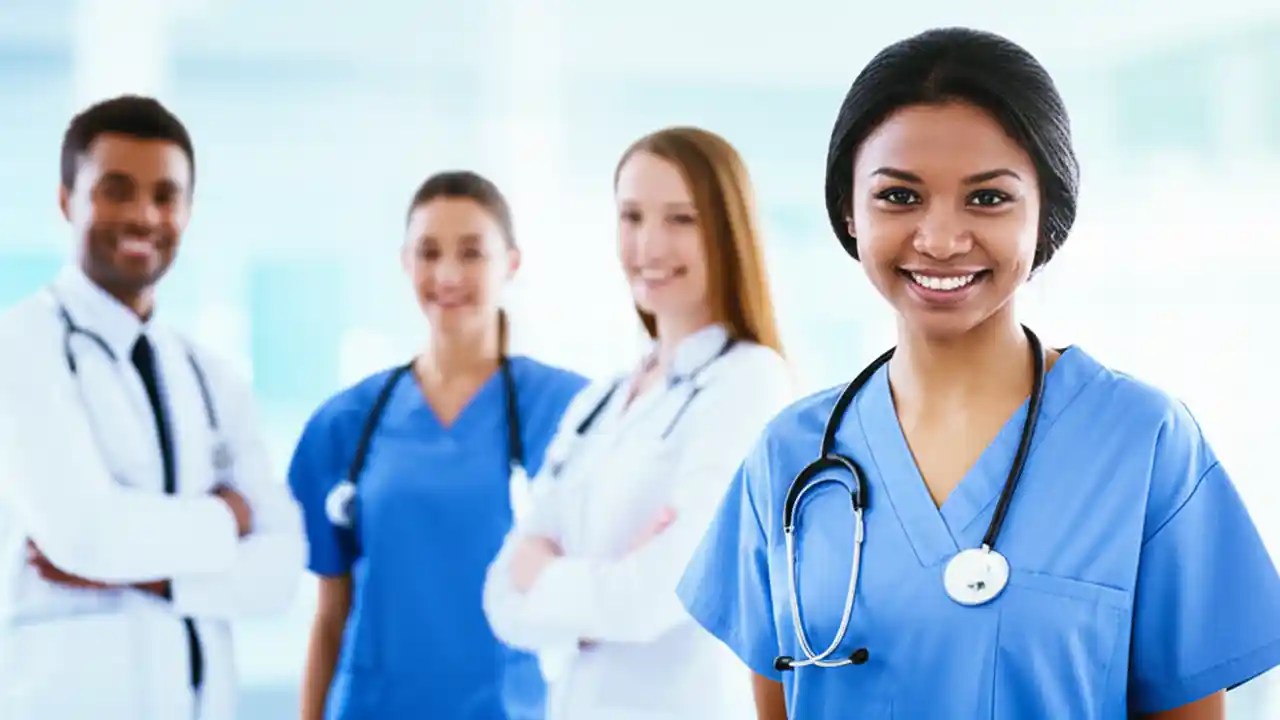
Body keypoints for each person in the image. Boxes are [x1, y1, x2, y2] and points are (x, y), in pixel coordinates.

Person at [675, 27, 1280, 720]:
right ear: (848, 210)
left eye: (987, 198)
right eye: (899, 197)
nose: (939, 239)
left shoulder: (1144, 445)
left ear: (1045, 213)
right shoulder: (789, 458)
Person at [0, 95, 305, 719]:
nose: (144, 215)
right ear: (67, 201)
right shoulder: (20, 347)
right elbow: (88, 535)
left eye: (165, 196)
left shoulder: (211, 376)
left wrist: (153, 575)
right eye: (116, 190)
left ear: (187, 211)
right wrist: (228, 515)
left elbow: (279, 568)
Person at [482, 126, 795, 720]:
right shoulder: (599, 401)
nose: (649, 246)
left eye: (681, 219)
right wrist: (603, 585)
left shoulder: (750, 381)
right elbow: (500, 597)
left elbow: (658, 595)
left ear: (728, 233)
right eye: (632, 217)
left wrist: (547, 576)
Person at [288, 170, 589, 720]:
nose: (448, 274)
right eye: (428, 252)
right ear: (405, 262)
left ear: (512, 263)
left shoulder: (570, 410)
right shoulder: (346, 422)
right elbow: (331, 613)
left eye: (472, 253)